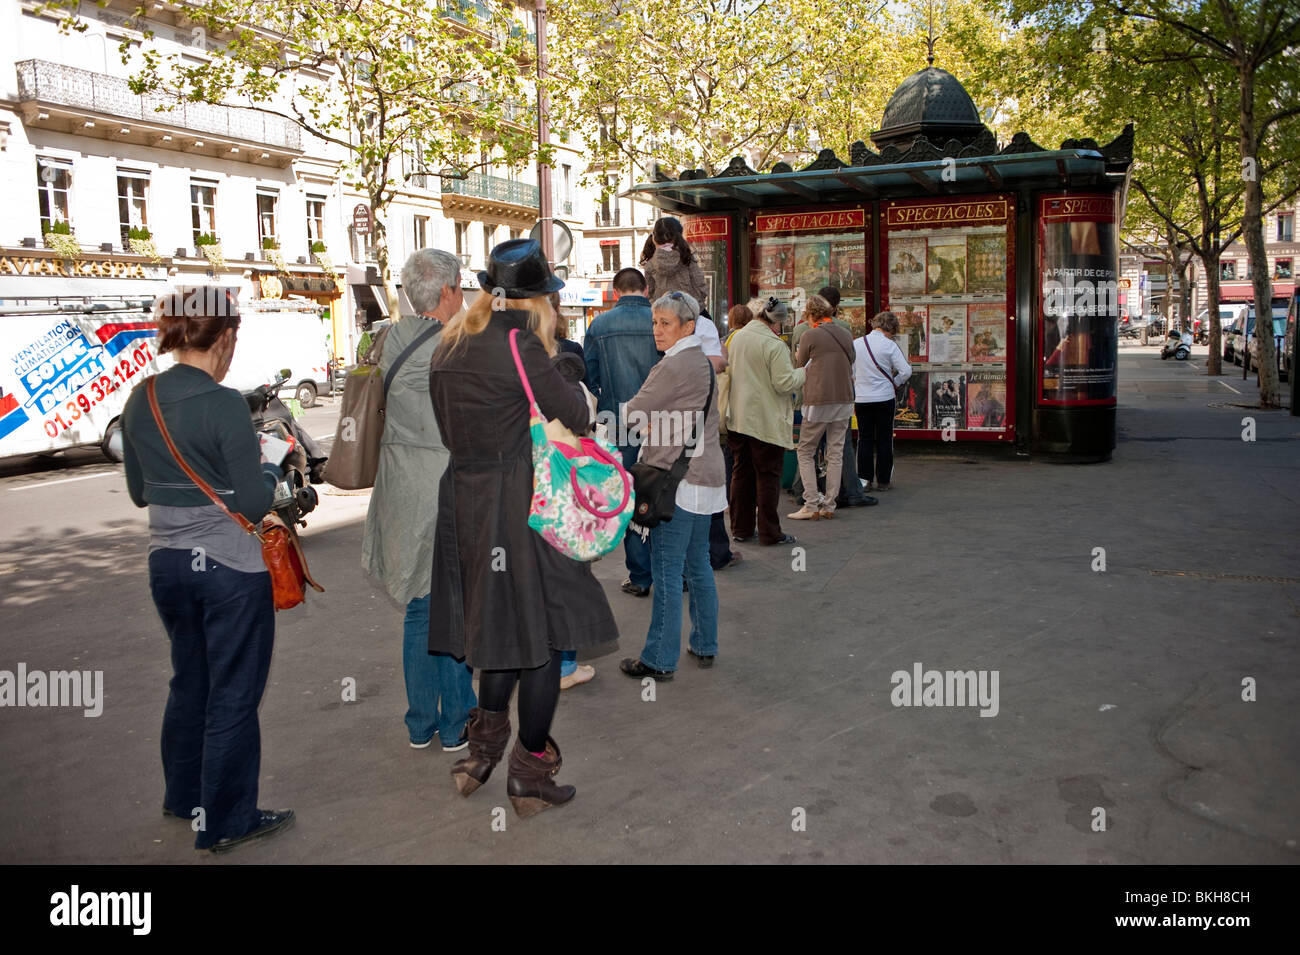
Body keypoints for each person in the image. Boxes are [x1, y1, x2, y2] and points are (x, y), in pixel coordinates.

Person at [428, 239, 617, 817]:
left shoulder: (451, 339)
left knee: (499, 629)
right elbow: (578, 414)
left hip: (464, 502)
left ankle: (480, 755)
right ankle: (529, 774)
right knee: (545, 638)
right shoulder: (517, 342)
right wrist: (557, 364)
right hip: (519, 504)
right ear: (538, 300)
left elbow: (446, 428)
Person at [121, 286, 293, 853]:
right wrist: (272, 469)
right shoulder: (221, 403)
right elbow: (249, 502)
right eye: (234, 338)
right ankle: (226, 820)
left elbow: (140, 492)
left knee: (189, 680)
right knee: (234, 696)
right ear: (222, 337)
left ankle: (184, 794)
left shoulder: (139, 398)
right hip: (229, 570)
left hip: (166, 566)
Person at [362, 249, 476, 751]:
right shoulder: (461, 345)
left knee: (417, 606)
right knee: (452, 606)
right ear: (449, 289)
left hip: (400, 485)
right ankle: (457, 723)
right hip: (446, 486)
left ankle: (419, 723)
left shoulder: (387, 339)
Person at [619, 291, 724, 680]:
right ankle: (705, 643)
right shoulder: (701, 361)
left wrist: (595, 421)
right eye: (655, 322)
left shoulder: (674, 364)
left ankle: (659, 660)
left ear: (688, 327)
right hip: (705, 477)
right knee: (698, 564)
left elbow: (632, 412)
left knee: (666, 571)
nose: (657, 330)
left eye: (665, 323)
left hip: (676, 482)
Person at [583, 267, 660, 599]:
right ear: (645, 290)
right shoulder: (661, 320)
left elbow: (589, 374)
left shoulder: (599, 325)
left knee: (629, 496)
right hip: (661, 421)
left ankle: (640, 576)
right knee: (665, 492)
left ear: (615, 292)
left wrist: (608, 399)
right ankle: (672, 572)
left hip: (617, 424)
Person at [726, 296, 806, 546]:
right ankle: (770, 532)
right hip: (765, 420)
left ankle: (741, 528)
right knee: (768, 476)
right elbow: (784, 383)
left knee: (741, 474)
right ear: (776, 323)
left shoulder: (737, 337)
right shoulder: (774, 345)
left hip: (738, 417)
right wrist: (804, 371)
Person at [547, 291, 597, 690]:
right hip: (566, 487)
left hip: (529, 488)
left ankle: (540, 663)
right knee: (569, 578)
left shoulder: (511, 367)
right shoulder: (566, 370)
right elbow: (585, 420)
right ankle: (564, 666)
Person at [790, 294, 860, 520]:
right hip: (844, 399)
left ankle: (811, 503)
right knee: (836, 451)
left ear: (811, 315)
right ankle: (830, 504)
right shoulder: (846, 334)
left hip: (818, 399)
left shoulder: (810, 334)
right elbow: (851, 359)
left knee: (806, 450)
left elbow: (800, 365)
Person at [854, 311, 912, 492]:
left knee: (864, 439)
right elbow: (906, 371)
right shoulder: (890, 345)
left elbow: (849, 370)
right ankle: (884, 481)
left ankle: (864, 479)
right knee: (885, 439)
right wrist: (894, 382)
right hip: (885, 398)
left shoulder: (856, 343)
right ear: (891, 328)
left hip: (862, 398)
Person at [640, 216, 710, 309]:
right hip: (689, 314)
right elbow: (701, 288)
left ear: (654, 238)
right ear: (680, 235)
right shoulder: (687, 258)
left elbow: (647, 295)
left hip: (663, 316)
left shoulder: (650, 264)